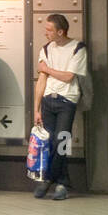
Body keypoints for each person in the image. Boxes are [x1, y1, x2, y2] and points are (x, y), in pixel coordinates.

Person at [32, 14, 88, 201]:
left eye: (49, 30)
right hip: (48, 99)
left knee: (62, 140)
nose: (45, 33)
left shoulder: (78, 49)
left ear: (60, 32)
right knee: (49, 143)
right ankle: (62, 181)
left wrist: (47, 69)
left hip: (67, 100)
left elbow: (68, 77)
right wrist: (37, 108)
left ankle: (48, 178)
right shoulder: (46, 49)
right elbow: (41, 80)